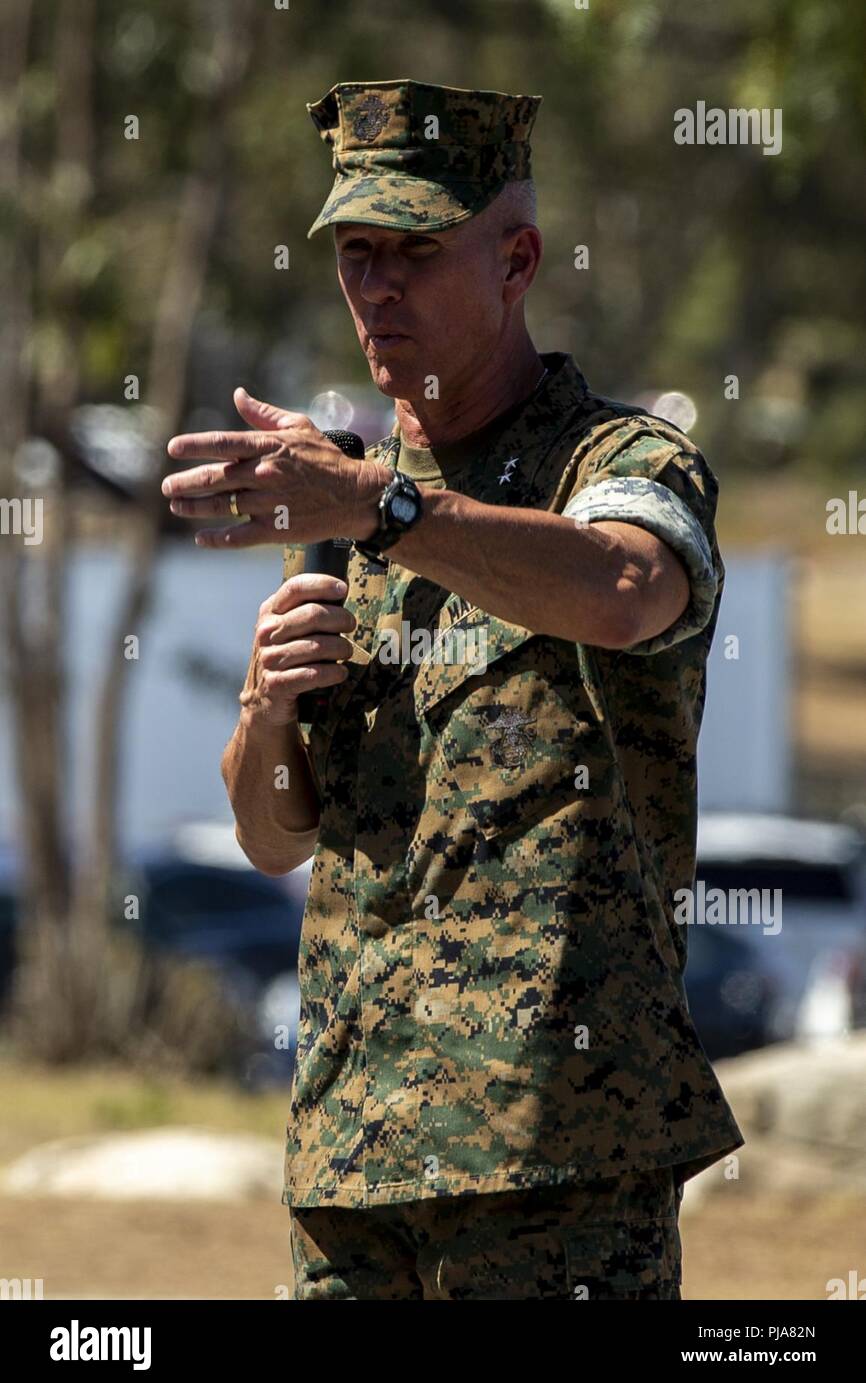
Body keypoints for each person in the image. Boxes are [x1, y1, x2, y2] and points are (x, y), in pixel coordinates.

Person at [162, 78, 744, 1300]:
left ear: (517, 257)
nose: (376, 288)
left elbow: (625, 589)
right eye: (355, 254)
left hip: (557, 1164)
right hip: (351, 1160)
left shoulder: (618, 463)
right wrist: (266, 707)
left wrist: (388, 506)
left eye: (414, 251)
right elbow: (274, 835)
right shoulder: (334, 504)